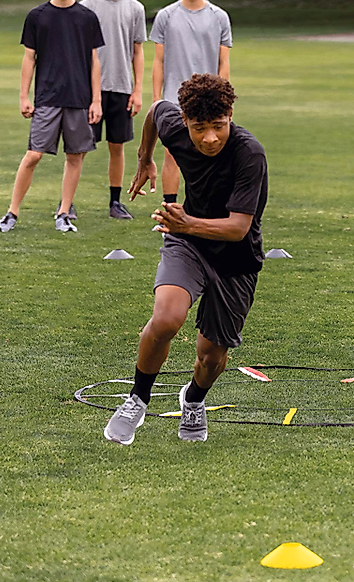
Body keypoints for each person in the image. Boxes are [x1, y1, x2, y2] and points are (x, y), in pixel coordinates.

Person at [103, 73, 266, 445]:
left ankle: (193, 399)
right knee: (166, 318)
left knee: (211, 357)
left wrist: (187, 221)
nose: (210, 137)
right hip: (188, 243)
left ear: (231, 116)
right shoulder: (173, 124)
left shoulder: (248, 153)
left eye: (218, 127)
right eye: (199, 128)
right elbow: (155, 112)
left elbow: (239, 227)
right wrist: (144, 159)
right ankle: (136, 400)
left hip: (235, 258)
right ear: (186, 122)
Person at [0, 0, 103, 234]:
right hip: (47, 98)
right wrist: (23, 96)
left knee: (75, 156)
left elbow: (94, 61)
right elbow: (29, 58)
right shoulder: (37, 17)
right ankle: (11, 214)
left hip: (78, 99)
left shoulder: (87, 18)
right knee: (33, 156)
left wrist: (96, 99)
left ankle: (64, 213)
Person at [149, 0, 232, 204]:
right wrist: (156, 100)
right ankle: (170, 211)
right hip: (174, 97)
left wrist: (224, 100)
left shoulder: (219, 17)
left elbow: (223, 62)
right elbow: (158, 61)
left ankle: (205, 209)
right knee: (171, 153)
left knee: (210, 153)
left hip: (208, 100)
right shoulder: (166, 16)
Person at [80, 0, 147, 219]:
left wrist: (138, 90)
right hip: (90, 90)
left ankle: (115, 202)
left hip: (121, 88)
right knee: (79, 147)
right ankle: (67, 202)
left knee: (117, 146)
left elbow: (137, 51)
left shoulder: (135, 8)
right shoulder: (86, 7)